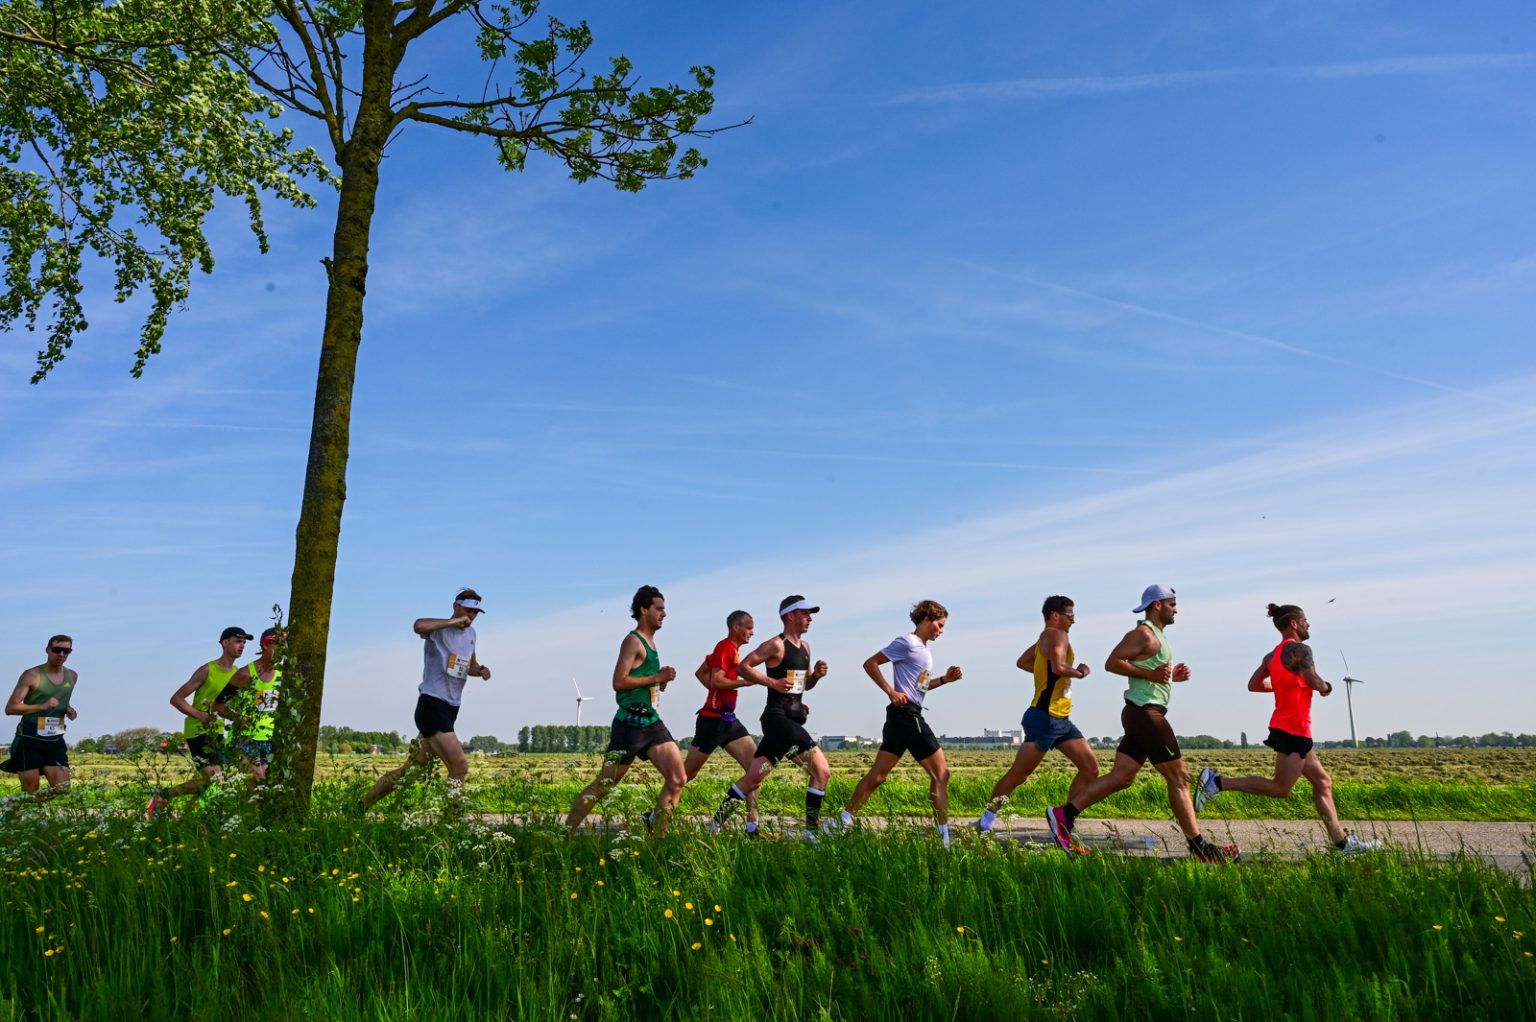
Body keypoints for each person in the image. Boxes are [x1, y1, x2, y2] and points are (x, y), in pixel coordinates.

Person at [1045, 586, 1239, 863]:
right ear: (1157, 605)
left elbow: (1153, 676)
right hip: (1146, 714)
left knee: (1122, 777)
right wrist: (1152, 674)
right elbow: (1112, 662)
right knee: (1179, 777)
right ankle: (1200, 848)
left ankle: (1065, 815)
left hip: (1142, 712)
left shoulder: (1158, 636)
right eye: (1172, 604)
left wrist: (1171, 678)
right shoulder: (1143, 633)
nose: (1176, 609)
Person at [1193, 603, 1380, 855]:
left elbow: (1254, 685)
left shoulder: (1272, 656)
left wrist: (1283, 686)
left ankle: (1342, 845)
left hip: (1291, 727)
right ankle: (1217, 782)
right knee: (1281, 788)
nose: (1308, 624)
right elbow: (1313, 680)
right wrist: (1326, 686)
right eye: (1305, 620)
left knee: (1323, 781)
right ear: (1294, 623)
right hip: (1294, 729)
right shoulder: (1300, 649)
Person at [837, 600, 962, 845]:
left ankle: (840, 822)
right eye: (939, 624)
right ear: (926, 620)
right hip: (906, 715)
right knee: (941, 774)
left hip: (902, 716)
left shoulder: (923, 649)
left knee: (878, 776)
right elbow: (870, 663)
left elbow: (920, 687)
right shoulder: (907, 643)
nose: (941, 630)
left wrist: (945, 680)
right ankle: (943, 839)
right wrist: (890, 691)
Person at [564, 586, 687, 836]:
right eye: (659, 608)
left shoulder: (651, 643)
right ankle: (563, 834)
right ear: (644, 610)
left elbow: (641, 680)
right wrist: (656, 676)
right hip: (629, 725)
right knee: (604, 785)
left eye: (664, 609)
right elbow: (619, 682)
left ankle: (658, 837)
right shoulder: (634, 641)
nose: (664, 614)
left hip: (651, 722)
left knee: (678, 779)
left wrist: (659, 681)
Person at [975, 596, 1098, 842]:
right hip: (1045, 718)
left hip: (1061, 719)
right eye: (1070, 615)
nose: (1074, 620)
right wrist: (1081, 672)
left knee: (1090, 768)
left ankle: (1065, 819)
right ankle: (986, 821)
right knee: (1018, 775)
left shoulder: (1045, 637)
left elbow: (1024, 663)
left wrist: (1048, 670)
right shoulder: (1057, 635)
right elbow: (1059, 669)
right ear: (1055, 615)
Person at [712, 595, 831, 839]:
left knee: (753, 779)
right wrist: (771, 682)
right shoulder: (776, 645)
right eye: (805, 614)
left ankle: (713, 826)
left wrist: (816, 676)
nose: (810, 618)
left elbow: (804, 686)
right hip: (778, 720)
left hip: (791, 721)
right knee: (821, 772)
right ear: (791, 616)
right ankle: (811, 835)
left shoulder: (806, 648)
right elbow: (743, 666)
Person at [363, 589, 491, 810]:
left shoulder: (472, 635)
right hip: (432, 704)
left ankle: (361, 806)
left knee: (411, 770)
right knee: (459, 766)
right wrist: (452, 622)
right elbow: (418, 625)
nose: (471, 616)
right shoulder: (439, 630)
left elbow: (469, 665)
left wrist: (479, 670)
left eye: (475, 612)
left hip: (451, 707)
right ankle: (450, 823)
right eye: (468, 610)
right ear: (456, 606)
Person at [147, 626, 251, 816]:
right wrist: (201, 715)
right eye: (238, 641)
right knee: (215, 781)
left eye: (244, 642)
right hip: (197, 730)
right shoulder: (207, 670)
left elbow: (224, 707)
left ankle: (178, 809)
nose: (242, 645)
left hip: (217, 732)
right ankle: (175, 806)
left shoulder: (237, 673)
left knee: (217, 783)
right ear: (225, 642)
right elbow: (176, 699)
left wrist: (239, 718)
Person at [683, 610, 769, 836]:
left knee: (756, 769)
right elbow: (716, 679)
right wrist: (744, 682)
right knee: (686, 775)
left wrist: (716, 688)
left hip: (729, 720)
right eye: (749, 627)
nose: (753, 632)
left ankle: (751, 826)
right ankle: (656, 815)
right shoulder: (726, 647)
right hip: (712, 721)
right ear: (736, 628)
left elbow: (701, 673)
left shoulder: (734, 651)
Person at [1, 635, 80, 800]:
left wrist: (68, 710)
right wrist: (41, 706)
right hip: (29, 738)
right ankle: (17, 815)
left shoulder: (72, 676)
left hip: (54, 739)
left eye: (66, 651)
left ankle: (16, 804)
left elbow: (61, 701)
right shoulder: (32, 675)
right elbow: (11, 707)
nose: (61, 654)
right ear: (48, 650)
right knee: (31, 793)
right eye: (57, 650)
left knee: (62, 790)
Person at [214, 626, 285, 782]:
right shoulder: (245, 674)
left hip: (269, 738)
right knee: (259, 779)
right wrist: (238, 718)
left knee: (262, 787)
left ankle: (231, 805)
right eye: (280, 644)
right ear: (266, 645)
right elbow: (217, 706)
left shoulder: (283, 675)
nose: (284, 649)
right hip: (245, 738)